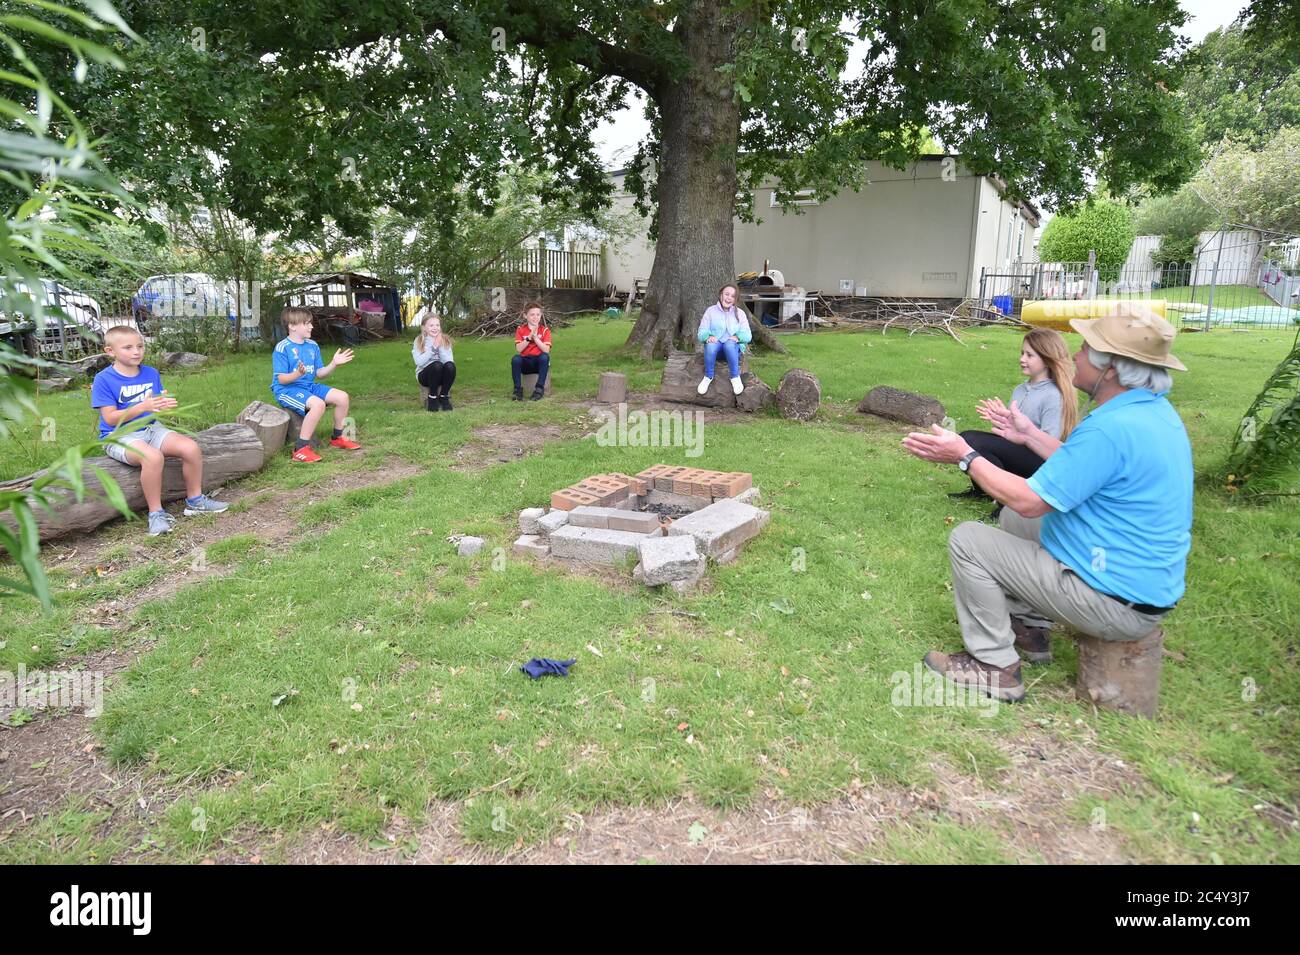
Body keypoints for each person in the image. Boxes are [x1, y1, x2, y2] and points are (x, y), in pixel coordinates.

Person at [901, 306, 1192, 703]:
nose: (1075, 356)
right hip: (1136, 583)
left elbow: (1030, 500)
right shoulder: (1150, 414)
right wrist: (1030, 435)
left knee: (969, 539)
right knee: (1013, 521)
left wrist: (965, 456)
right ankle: (1030, 628)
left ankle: (994, 666)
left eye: (1087, 349)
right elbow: (1079, 467)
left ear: (1111, 369)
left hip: (1117, 603)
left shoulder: (1112, 427)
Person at [91, 326, 229, 536]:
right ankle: (156, 514)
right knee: (153, 458)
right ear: (110, 351)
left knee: (191, 447)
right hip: (119, 436)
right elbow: (109, 418)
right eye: (128, 347)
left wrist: (161, 404)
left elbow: (153, 407)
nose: (136, 351)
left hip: (151, 428)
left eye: (140, 346)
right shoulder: (103, 379)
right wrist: (142, 407)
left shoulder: (150, 373)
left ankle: (195, 501)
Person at [950, 327, 1078, 500]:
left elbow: (1049, 443)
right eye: (1022, 353)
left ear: (1047, 360)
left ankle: (1007, 499)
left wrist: (1019, 432)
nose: (1022, 359)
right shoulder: (1020, 389)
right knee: (965, 439)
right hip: (1021, 452)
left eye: (1030, 355)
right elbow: (1010, 434)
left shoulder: (1054, 395)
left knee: (973, 441)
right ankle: (984, 491)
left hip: (1041, 463)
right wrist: (1002, 420)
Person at [271, 307, 362, 462]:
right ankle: (300, 449)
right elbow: (281, 380)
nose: (311, 326)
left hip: (308, 386)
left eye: (310, 323)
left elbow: (320, 373)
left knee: (342, 397)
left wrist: (334, 363)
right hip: (287, 390)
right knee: (318, 404)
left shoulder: (312, 345)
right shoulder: (282, 348)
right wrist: (297, 374)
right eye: (306, 323)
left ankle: (338, 437)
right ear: (292, 326)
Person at [696, 284, 752, 396]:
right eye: (726, 294)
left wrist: (738, 337)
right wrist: (708, 336)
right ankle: (708, 376)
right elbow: (701, 333)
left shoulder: (740, 313)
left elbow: (748, 335)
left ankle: (735, 377)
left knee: (729, 344)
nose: (729, 298)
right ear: (721, 294)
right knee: (711, 346)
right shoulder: (710, 311)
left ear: (736, 299)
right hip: (716, 350)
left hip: (732, 350)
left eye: (733, 296)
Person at [412, 311, 456, 411]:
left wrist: (439, 345)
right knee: (436, 365)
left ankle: (444, 396)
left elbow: (448, 361)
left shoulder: (445, 340)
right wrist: (433, 348)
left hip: (441, 374)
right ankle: (432, 397)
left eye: (437, 325)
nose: (435, 328)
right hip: (425, 376)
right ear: (424, 327)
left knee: (450, 366)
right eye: (431, 325)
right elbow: (419, 362)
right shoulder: (419, 340)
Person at [511, 302, 552, 401]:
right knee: (516, 359)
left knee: (545, 357)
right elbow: (519, 349)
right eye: (532, 314)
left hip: (539, 363)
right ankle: (517, 391)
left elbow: (546, 350)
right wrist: (529, 337)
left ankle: (539, 389)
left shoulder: (545, 330)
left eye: (538, 314)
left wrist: (536, 338)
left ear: (541, 315)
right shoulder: (520, 330)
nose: (535, 317)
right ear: (525, 316)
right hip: (526, 363)